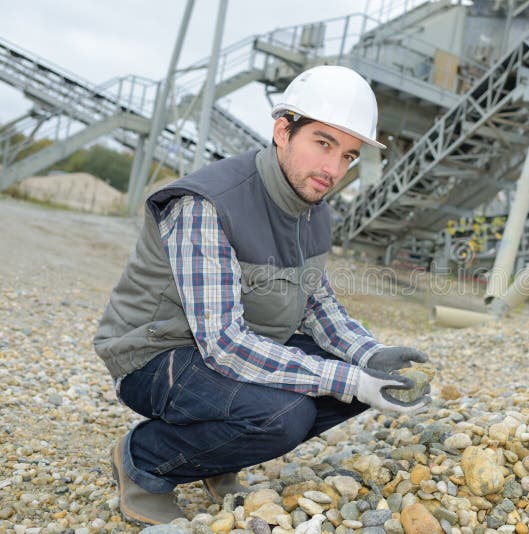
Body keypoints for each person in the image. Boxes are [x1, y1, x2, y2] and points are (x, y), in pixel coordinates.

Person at [93, 65, 431, 526]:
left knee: (347, 380)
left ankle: (214, 455)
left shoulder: (312, 209)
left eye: (349, 156)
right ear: (282, 131)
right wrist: (348, 379)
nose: (333, 169)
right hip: (157, 354)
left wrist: (370, 357)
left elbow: (317, 304)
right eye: (323, 143)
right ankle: (144, 461)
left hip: (229, 350)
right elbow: (223, 343)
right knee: (286, 415)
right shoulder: (208, 204)